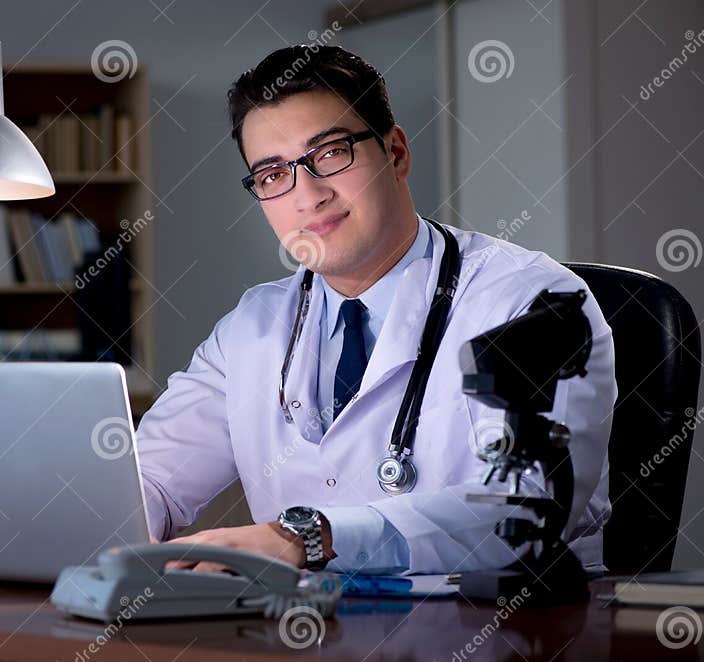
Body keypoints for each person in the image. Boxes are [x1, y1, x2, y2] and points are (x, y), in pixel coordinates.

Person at [135, 45, 615, 575]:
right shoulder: (251, 330)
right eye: (273, 175)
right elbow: (148, 482)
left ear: (396, 152)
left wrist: (309, 537)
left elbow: (527, 508)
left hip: (502, 634)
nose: (308, 195)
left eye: (331, 153)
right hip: (298, 638)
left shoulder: (530, 303)